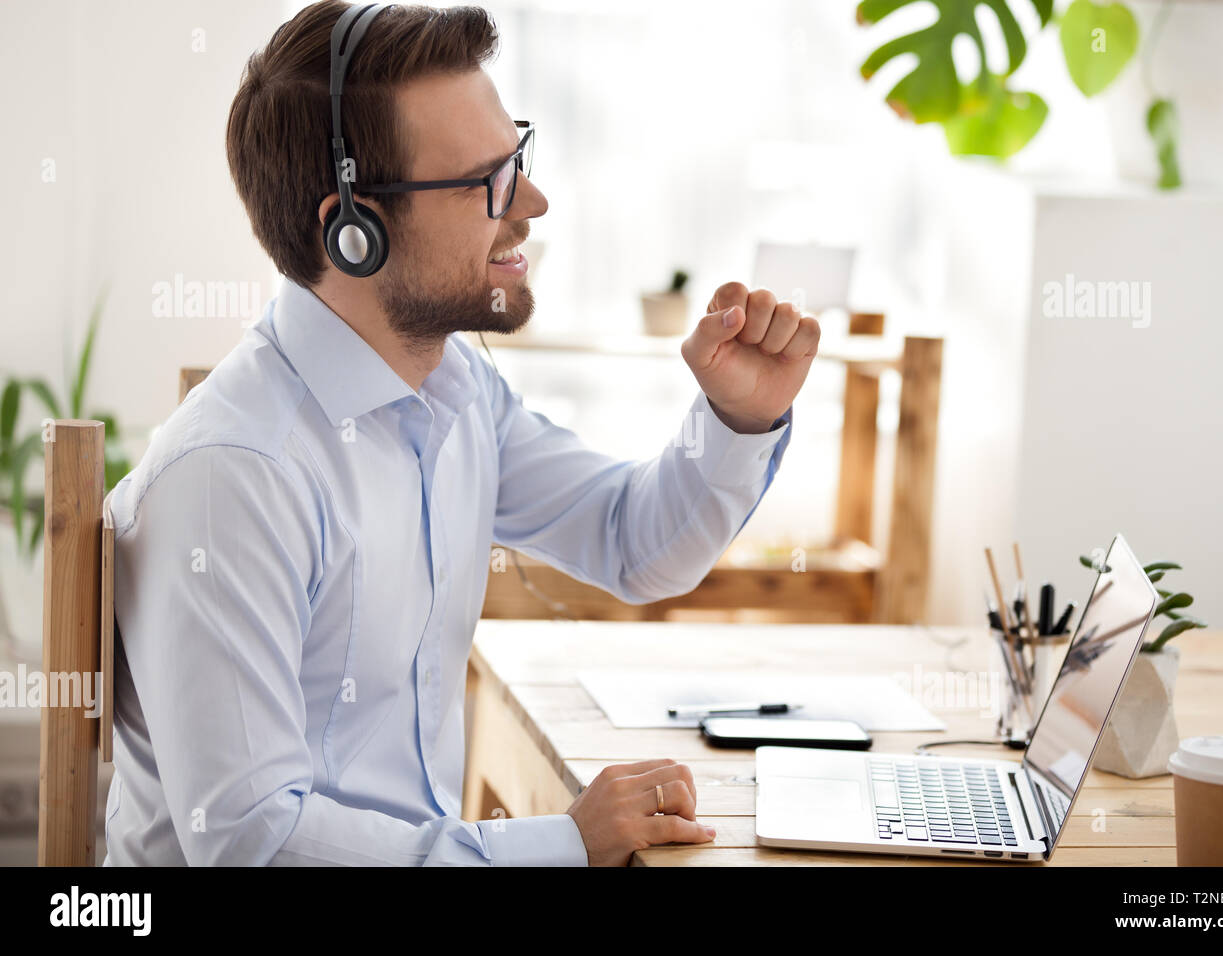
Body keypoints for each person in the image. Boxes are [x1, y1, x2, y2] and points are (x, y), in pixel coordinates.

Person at [105, 0, 818, 866]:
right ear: (354, 230)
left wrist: (738, 418)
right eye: (489, 182)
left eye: (517, 158)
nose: (534, 203)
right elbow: (256, 843)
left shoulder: (451, 388)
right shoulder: (232, 478)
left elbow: (636, 543)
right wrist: (560, 844)